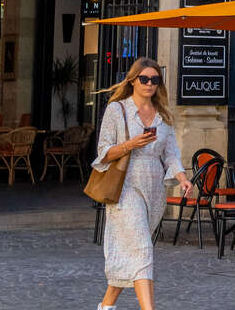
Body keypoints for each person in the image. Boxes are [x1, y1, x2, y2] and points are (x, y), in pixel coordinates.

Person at [92, 58, 192, 310]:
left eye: (155, 80)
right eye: (144, 79)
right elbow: (103, 152)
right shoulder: (118, 110)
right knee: (142, 249)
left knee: (133, 251)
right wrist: (130, 145)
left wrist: (181, 177)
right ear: (133, 80)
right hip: (125, 186)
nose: (149, 84)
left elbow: (170, 154)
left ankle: (105, 306)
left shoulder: (163, 116)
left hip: (153, 188)